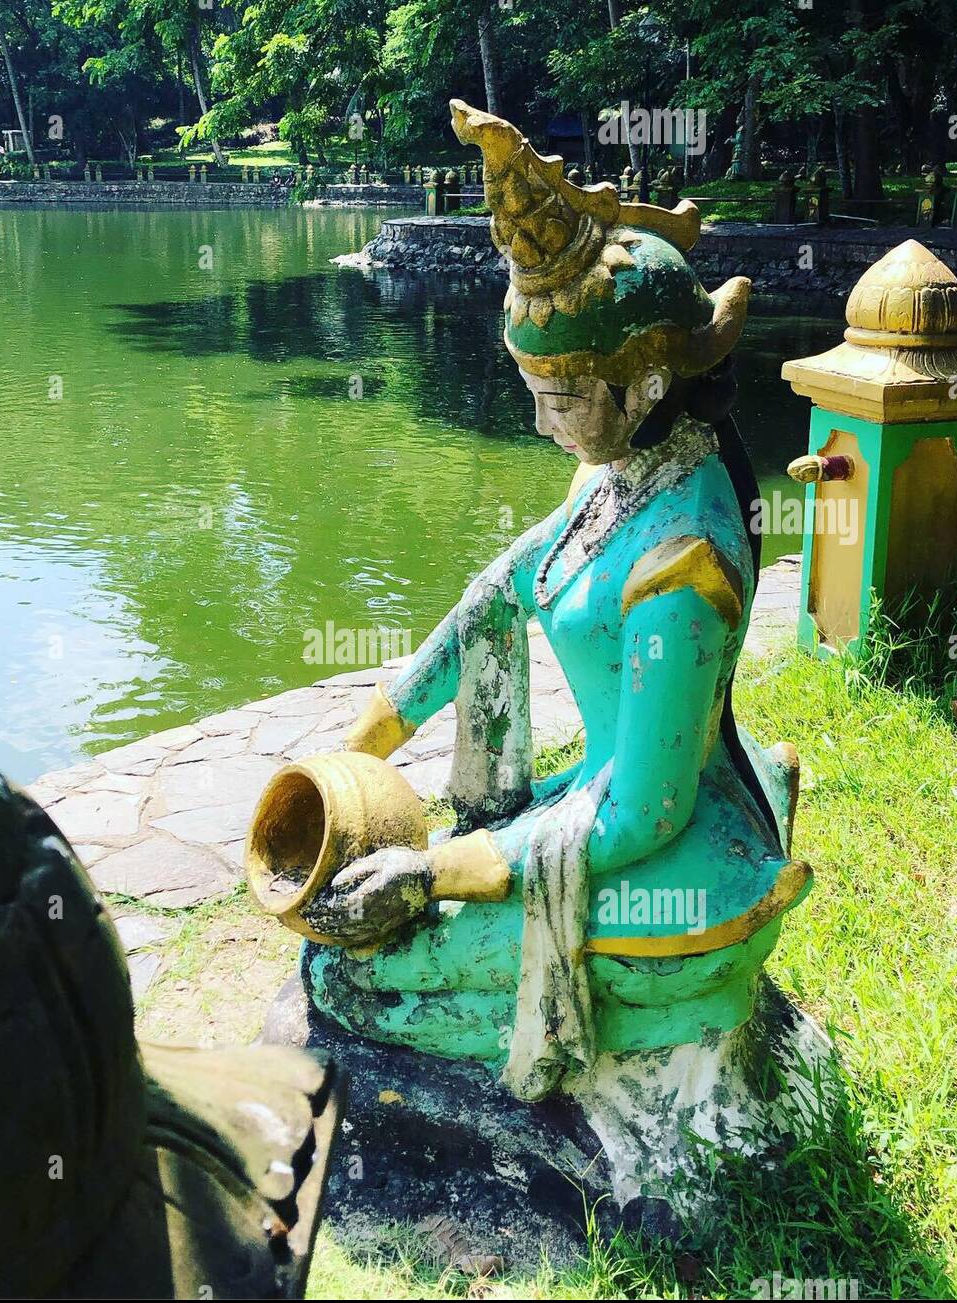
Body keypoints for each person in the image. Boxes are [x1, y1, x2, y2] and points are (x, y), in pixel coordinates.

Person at [300, 101, 809, 1102]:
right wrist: (361, 742)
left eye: (561, 397)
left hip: (667, 854)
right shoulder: (623, 472)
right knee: (367, 936)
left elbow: (639, 816)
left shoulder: (684, 566)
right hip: (604, 802)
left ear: (648, 378)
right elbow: (498, 590)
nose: (539, 423)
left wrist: (433, 873)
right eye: (530, 388)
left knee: (354, 973)